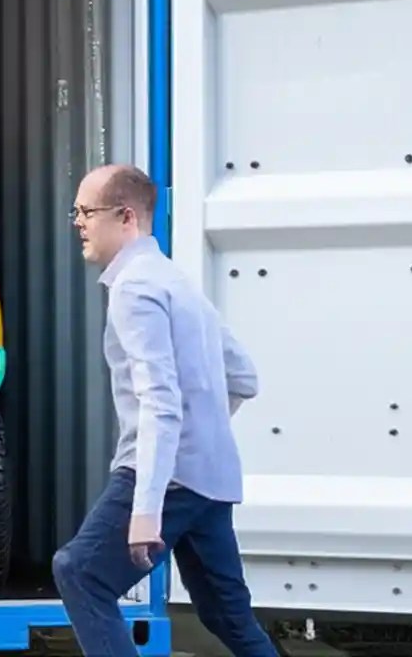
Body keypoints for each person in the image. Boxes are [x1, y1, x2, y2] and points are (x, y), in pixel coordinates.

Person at [52, 164, 277, 656]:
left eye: (86, 211)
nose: (78, 223)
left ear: (125, 216)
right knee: (228, 617)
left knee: (80, 572)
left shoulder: (134, 289)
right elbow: (243, 377)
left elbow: (160, 400)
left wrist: (146, 509)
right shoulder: (176, 281)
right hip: (210, 480)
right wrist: (201, 437)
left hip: (164, 476)